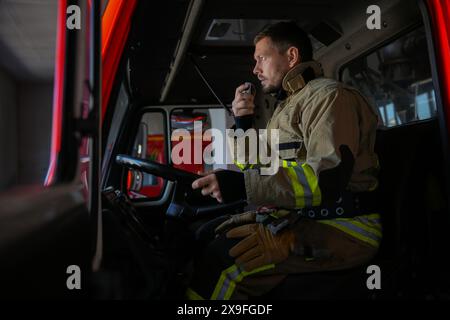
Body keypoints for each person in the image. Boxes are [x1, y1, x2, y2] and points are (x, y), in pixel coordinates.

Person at [186, 21, 381, 300]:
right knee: (206, 236)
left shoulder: (328, 96)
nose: (255, 70)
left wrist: (244, 186)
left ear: (291, 56)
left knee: (223, 263)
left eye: (261, 59)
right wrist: (241, 124)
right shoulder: (287, 106)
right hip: (303, 217)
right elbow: (257, 168)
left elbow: (327, 179)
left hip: (345, 227)